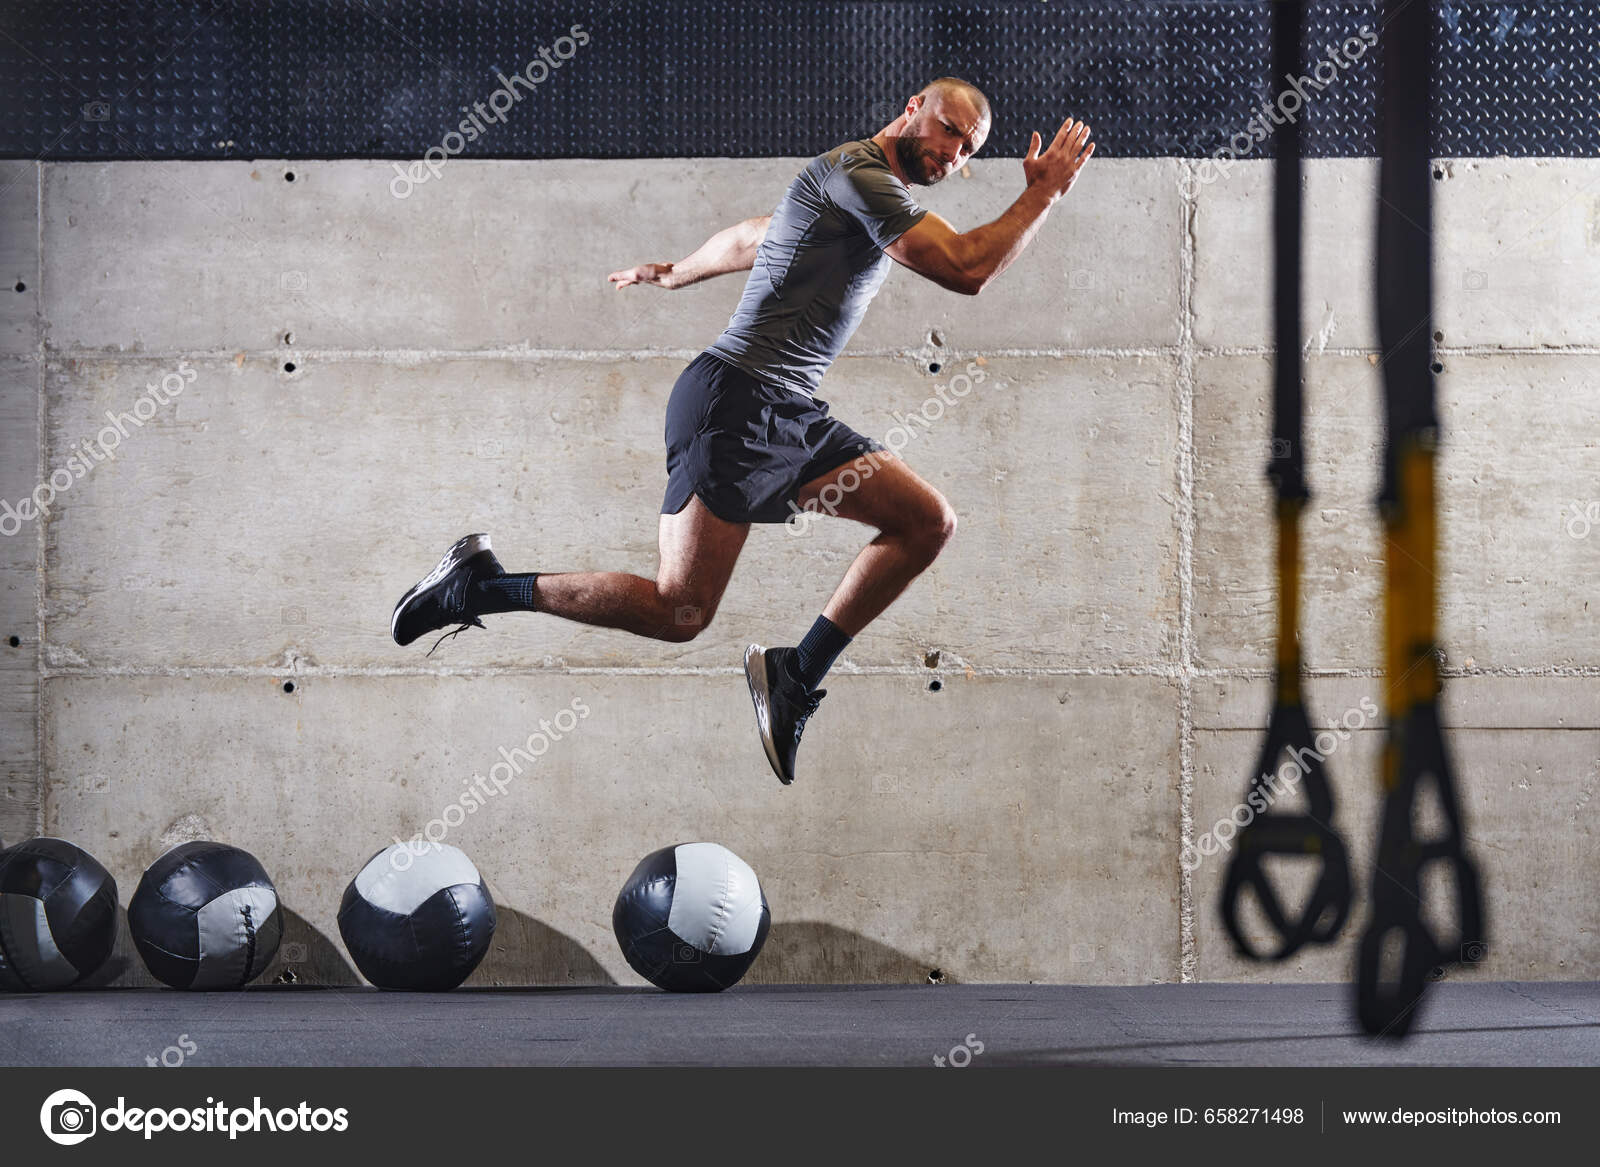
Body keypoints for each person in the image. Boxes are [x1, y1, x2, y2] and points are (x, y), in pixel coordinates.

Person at [393, 77, 1095, 785]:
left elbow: (756, 236)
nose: (951, 152)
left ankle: (793, 676)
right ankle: (479, 587)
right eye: (947, 128)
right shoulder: (863, 172)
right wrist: (1045, 194)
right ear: (914, 105)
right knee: (680, 610)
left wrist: (677, 272)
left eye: (967, 148)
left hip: (784, 410)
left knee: (925, 522)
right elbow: (966, 267)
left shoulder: (846, 187)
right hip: (733, 404)